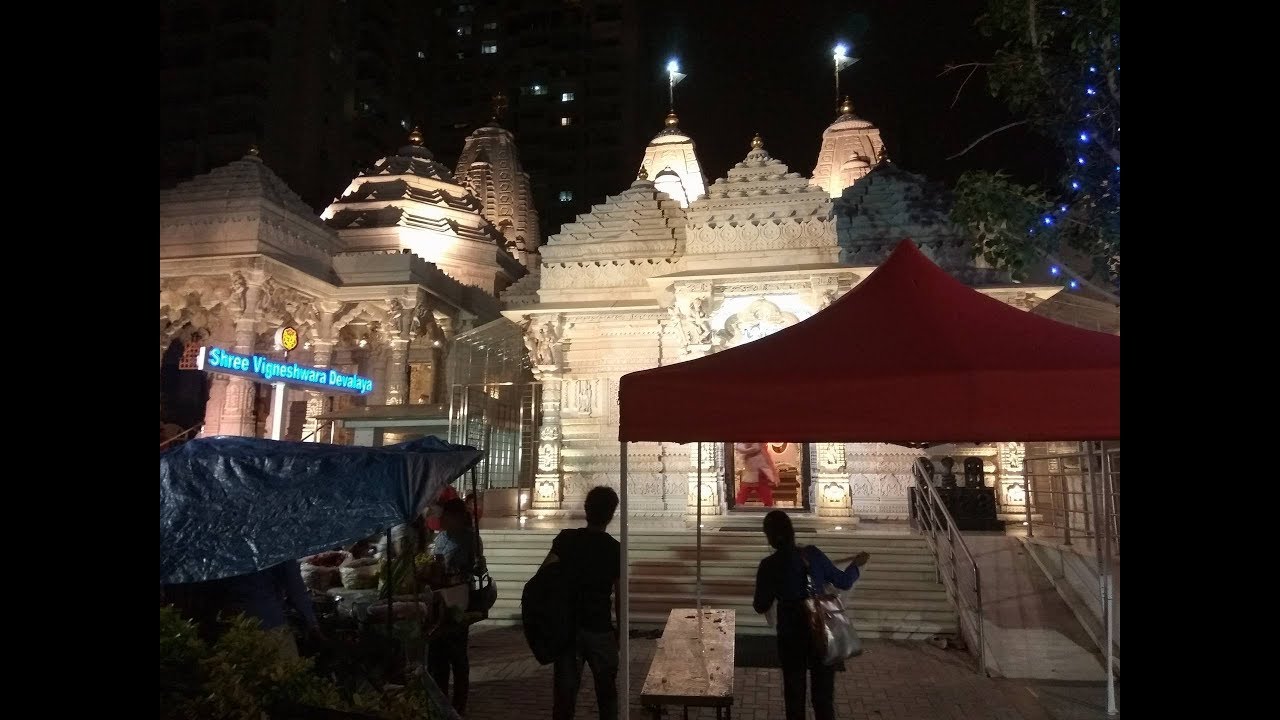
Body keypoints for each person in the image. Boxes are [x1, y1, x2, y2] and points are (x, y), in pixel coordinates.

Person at [752, 511, 870, 720]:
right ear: (792, 533)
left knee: (794, 697)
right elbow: (843, 581)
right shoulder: (812, 554)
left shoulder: (769, 565)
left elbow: (760, 605)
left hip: (790, 634)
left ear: (769, 536)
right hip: (820, 630)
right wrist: (855, 566)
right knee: (823, 699)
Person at [546, 486, 621, 720]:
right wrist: (619, 630)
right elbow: (620, 595)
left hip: (568, 625)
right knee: (606, 695)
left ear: (586, 510)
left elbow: (545, 575)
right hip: (599, 626)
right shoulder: (614, 549)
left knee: (565, 696)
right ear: (611, 514)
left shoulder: (566, 539)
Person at [427, 498, 479, 715]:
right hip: (439, 600)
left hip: (459, 599)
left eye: (445, 516)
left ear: (456, 517)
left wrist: (473, 567)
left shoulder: (470, 538)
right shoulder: (440, 539)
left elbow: (476, 565)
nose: (442, 520)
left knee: (457, 655)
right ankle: (441, 701)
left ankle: (459, 704)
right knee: (436, 656)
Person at [217, 560, 323, 659]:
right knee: (284, 670)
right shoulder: (275, 546)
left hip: (230, 628)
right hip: (269, 623)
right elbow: (296, 591)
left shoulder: (218, 549)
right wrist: (312, 623)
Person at [735, 442, 779, 507]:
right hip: (751, 471)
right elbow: (767, 458)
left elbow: (767, 458)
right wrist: (774, 473)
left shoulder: (758, 445)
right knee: (742, 496)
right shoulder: (743, 446)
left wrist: (774, 473)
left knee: (766, 498)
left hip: (759, 472)